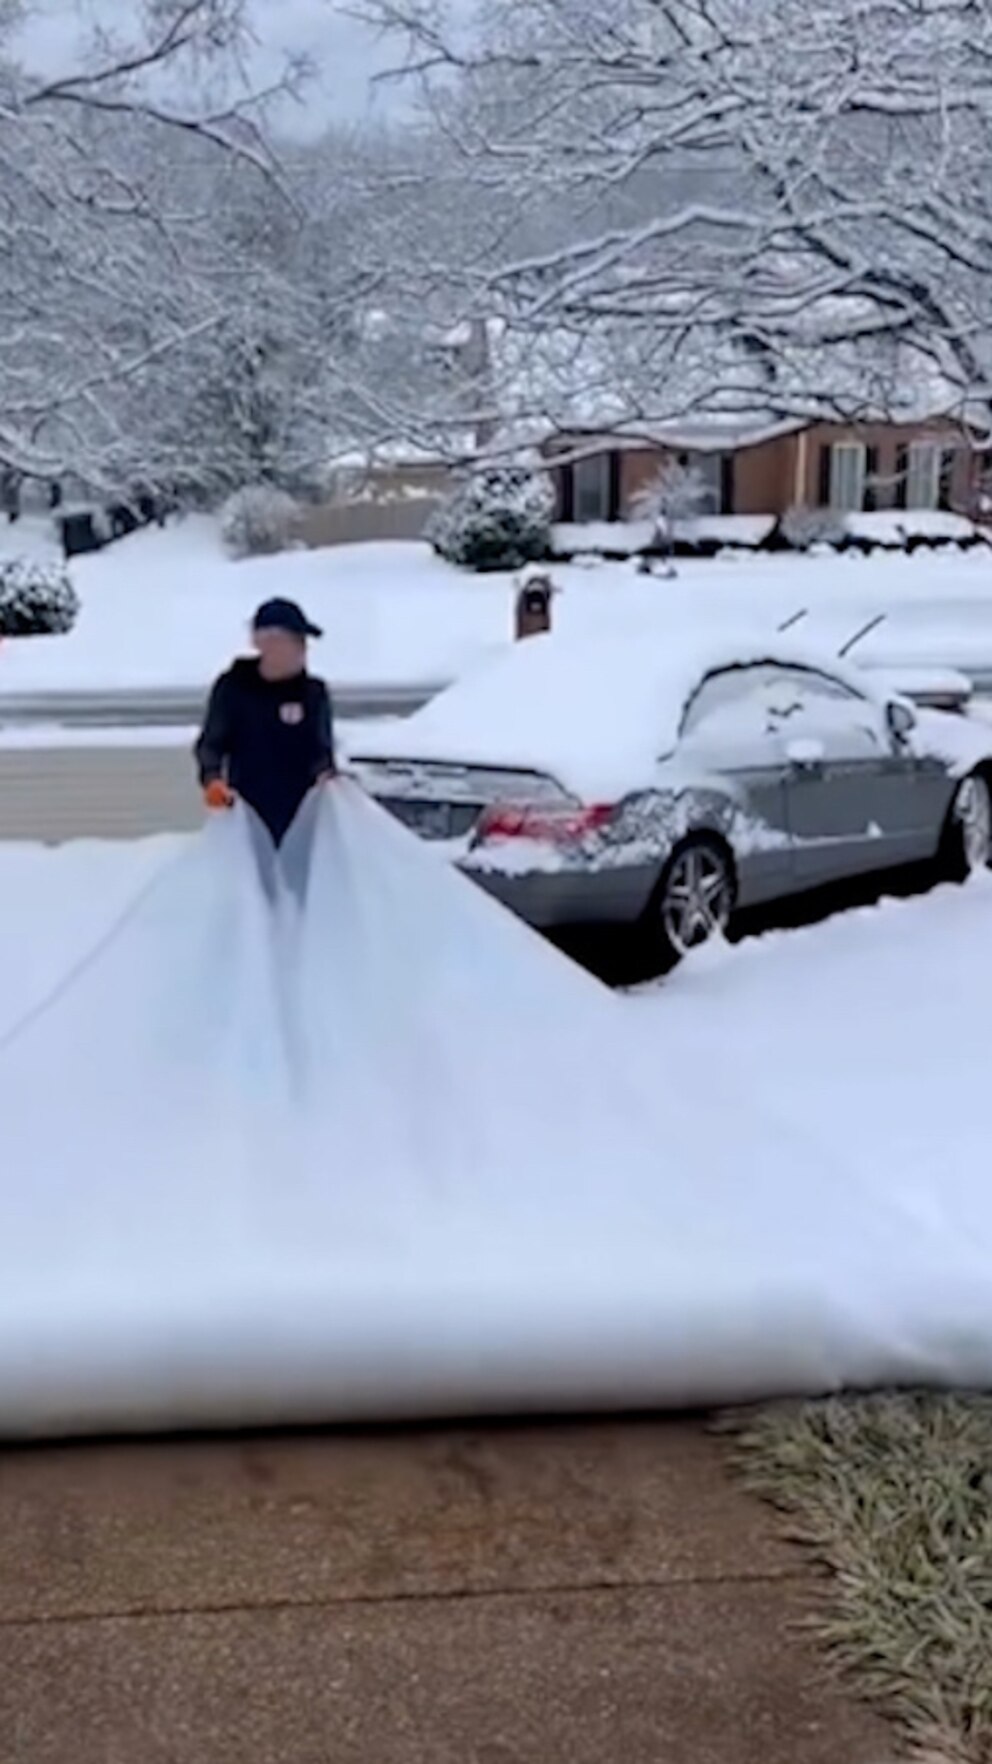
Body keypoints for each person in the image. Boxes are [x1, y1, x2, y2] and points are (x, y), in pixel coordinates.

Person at [196, 598, 336, 847]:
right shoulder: (234, 688)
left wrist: (326, 776)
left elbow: (321, 749)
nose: (303, 649)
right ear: (264, 642)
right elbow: (211, 744)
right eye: (295, 640)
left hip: (304, 822)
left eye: (303, 642)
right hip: (246, 817)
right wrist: (212, 779)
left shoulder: (313, 693)